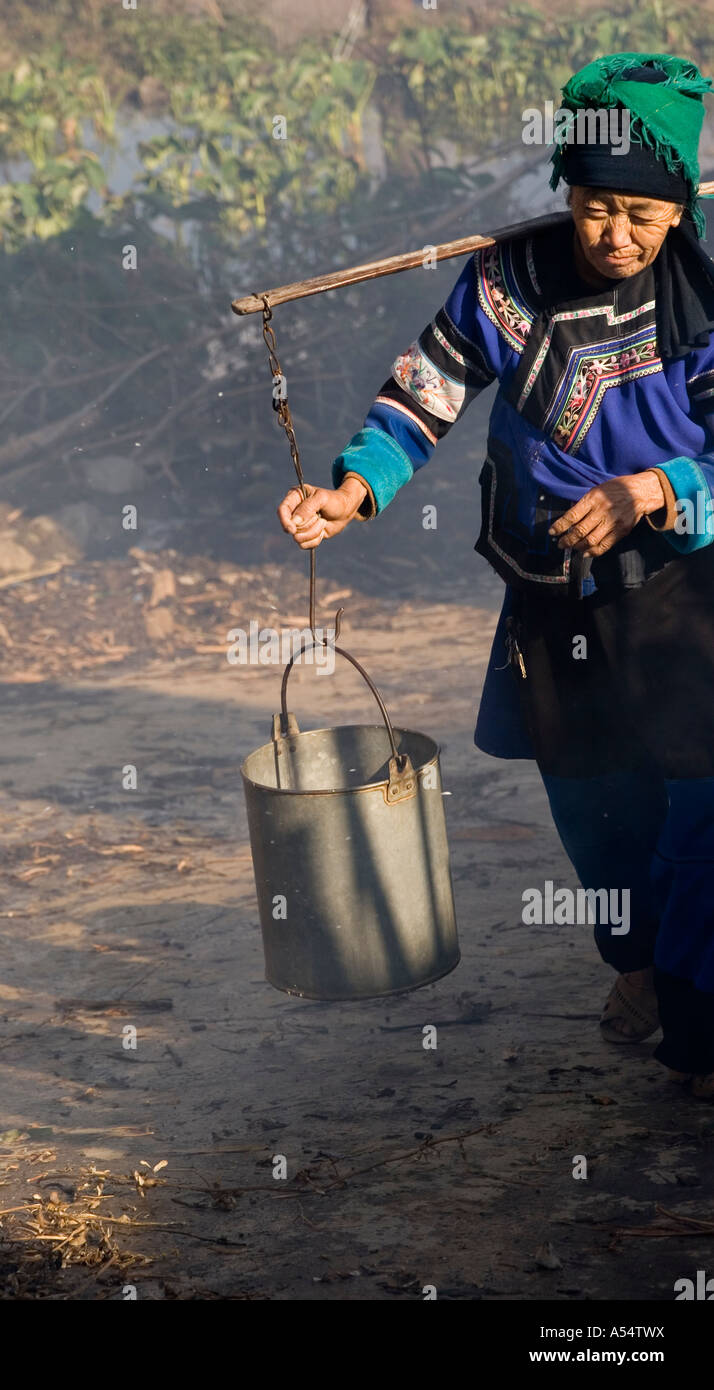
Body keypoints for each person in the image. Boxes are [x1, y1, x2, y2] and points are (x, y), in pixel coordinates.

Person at [277, 53, 714, 1098]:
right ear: (564, 194)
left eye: (641, 216)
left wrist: (651, 490)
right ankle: (641, 971)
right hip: (549, 587)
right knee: (595, 812)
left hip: (683, 597)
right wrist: (352, 487)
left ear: (677, 212)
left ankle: (698, 1034)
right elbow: (419, 396)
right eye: (593, 207)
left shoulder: (702, 297)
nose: (614, 235)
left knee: (701, 810)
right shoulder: (503, 282)